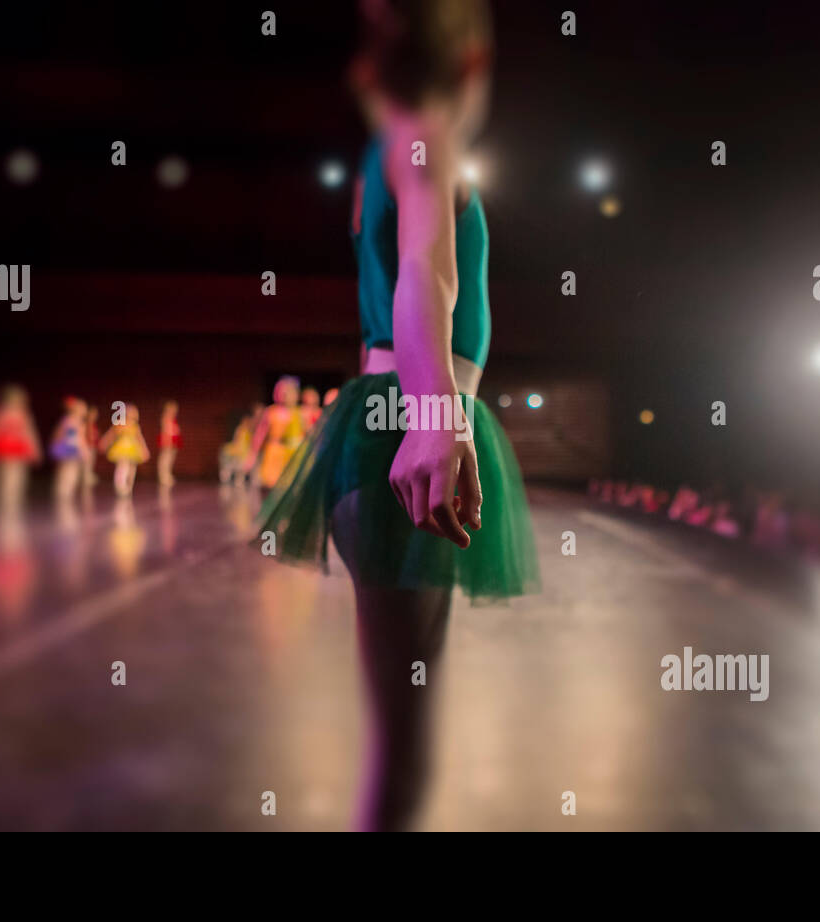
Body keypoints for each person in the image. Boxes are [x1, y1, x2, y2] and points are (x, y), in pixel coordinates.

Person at [253, 0, 537, 831]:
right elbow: (425, 273)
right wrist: (436, 418)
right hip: (401, 423)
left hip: (382, 421)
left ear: (367, 71)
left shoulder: (393, 146)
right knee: (407, 752)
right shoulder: (424, 136)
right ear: (476, 66)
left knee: (402, 742)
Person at [0, 385, 42, 520]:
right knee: (3, 476)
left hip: (18, 449)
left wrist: (34, 450)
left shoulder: (24, 415)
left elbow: (29, 433)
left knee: (17, 476)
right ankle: (4, 503)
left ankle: (13, 502)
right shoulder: (0, 413)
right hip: (4, 448)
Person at [245, 376, 304, 490]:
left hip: (293, 454)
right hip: (275, 453)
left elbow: (305, 434)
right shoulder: (271, 412)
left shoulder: (299, 413)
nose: (286, 395)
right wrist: (252, 455)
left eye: (290, 392)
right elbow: (260, 435)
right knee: (274, 486)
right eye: (284, 392)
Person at [99, 403, 150, 498]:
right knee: (122, 467)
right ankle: (120, 486)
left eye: (135, 412)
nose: (133, 414)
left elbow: (140, 438)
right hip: (121, 448)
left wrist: (144, 449)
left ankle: (129, 486)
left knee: (131, 468)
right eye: (131, 412)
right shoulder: (119, 423)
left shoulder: (135, 426)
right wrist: (104, 442)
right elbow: (111, 434)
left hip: (132, 448)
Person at [157, 400, 181, 488]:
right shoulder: (166, 418)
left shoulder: (172, 418)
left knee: (170, 459)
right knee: (165, 459)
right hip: (168, 440)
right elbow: (165, 431)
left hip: (173, 441)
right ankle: (163, 477)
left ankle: (168, 475)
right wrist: (167, 441)